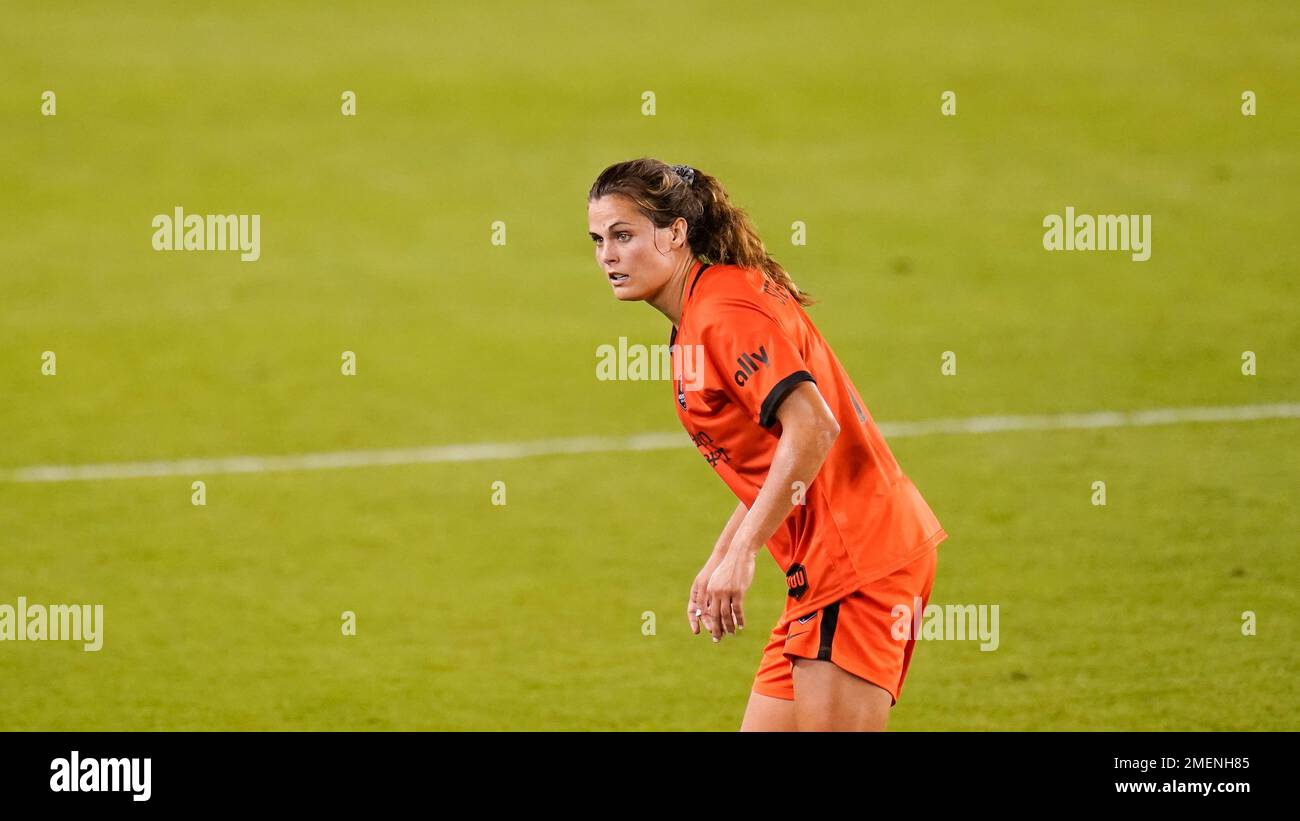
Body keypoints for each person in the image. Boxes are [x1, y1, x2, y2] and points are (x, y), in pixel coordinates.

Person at [587, 158, 948, 731]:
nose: (607, 255)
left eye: (624, 235)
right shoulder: (707, 307)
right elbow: (776, 453)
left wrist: (746, 551)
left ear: (676, 233)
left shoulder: (722, 313)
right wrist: (724, 550)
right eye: (599, 239)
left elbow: (813, 428)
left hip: (857, 563)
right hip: (829, 569)